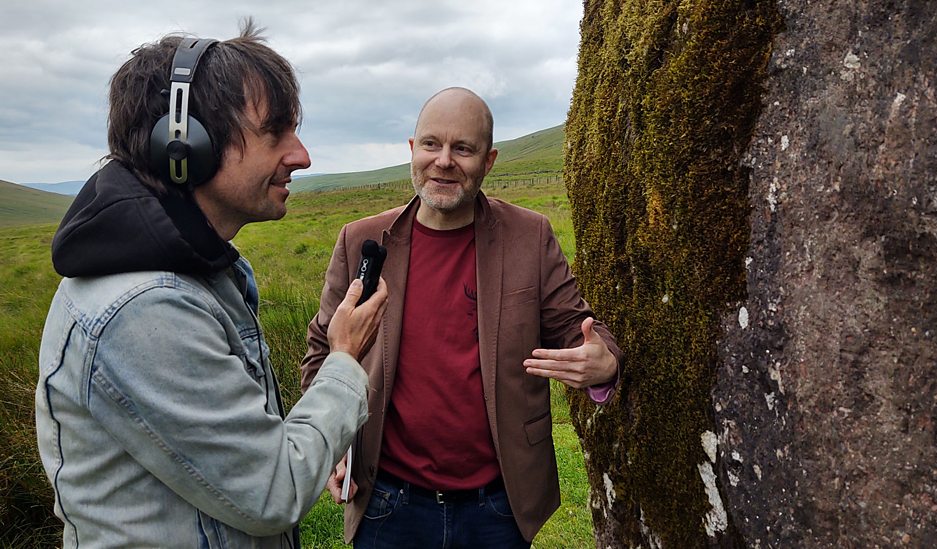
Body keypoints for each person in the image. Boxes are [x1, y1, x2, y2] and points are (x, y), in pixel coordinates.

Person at [34, 20, 387, 548]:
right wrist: (343, 359)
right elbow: (274, 489)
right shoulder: (146, 308)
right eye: (275, 133)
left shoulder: (197, 271)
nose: (301, 156)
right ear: (184, 145)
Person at [300, 87, 623, 548]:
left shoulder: (528, 237)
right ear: (413, 150)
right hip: (387, 502)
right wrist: (330, 443)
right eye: (431, 144)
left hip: (496, 507)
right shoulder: (362, 241)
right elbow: (320, 353)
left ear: (488, 162)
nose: (444, 161)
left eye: (463, 148)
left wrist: (603, 366)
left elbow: (585, 333)